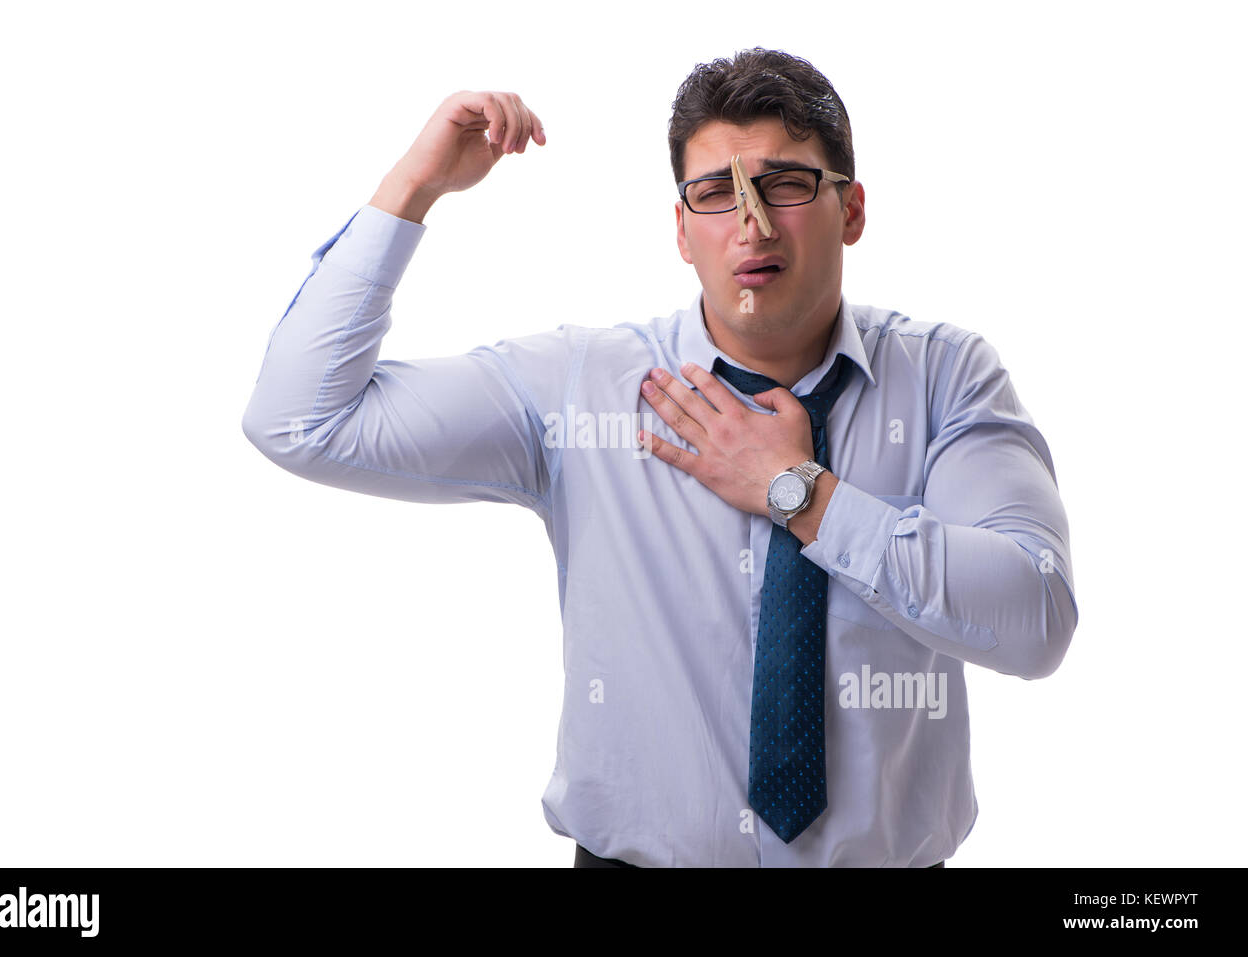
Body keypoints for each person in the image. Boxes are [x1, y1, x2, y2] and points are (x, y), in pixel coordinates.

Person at [241, 47, 1078, 867]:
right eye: (716, 194)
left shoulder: (944, 378)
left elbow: (1035, 616)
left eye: (785, 184)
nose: (752, 224)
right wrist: (412, 188)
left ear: (852, 209)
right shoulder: (584, 388)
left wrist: (803, 495)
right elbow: (299, 419)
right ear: (681, 230)